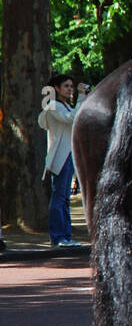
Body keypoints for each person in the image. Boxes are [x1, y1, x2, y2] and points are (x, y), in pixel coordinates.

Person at [38, 74, 89, 247]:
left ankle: (65, 236)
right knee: (59, 197)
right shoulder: (53, 105)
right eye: (66, 86)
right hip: (60, 157)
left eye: (71, 86)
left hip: (68, 155)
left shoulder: (65, 105)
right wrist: (82, 97)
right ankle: (58, 236)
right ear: (57, 88)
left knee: (65, 198)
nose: (70, 89)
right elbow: (73, 119)